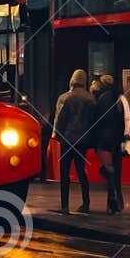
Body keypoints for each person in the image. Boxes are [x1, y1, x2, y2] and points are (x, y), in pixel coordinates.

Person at [51, 68, 95, 214]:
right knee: (81, 171)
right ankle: (86, 203)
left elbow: (60, 119)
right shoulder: (90, 99)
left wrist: (57, 135)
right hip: (83, 141)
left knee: (64, 172)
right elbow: (93, 121)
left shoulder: (65, 98)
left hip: (67, 140)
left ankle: (65, 205)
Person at [91, 74, 126, 215]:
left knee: (108, 170)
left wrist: (95, 139)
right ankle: (117, 200)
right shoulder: (119, 98)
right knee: (115, 170)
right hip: (116, 138)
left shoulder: (103, 99)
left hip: (105, 139)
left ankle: (113, 201)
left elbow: (99, 121)